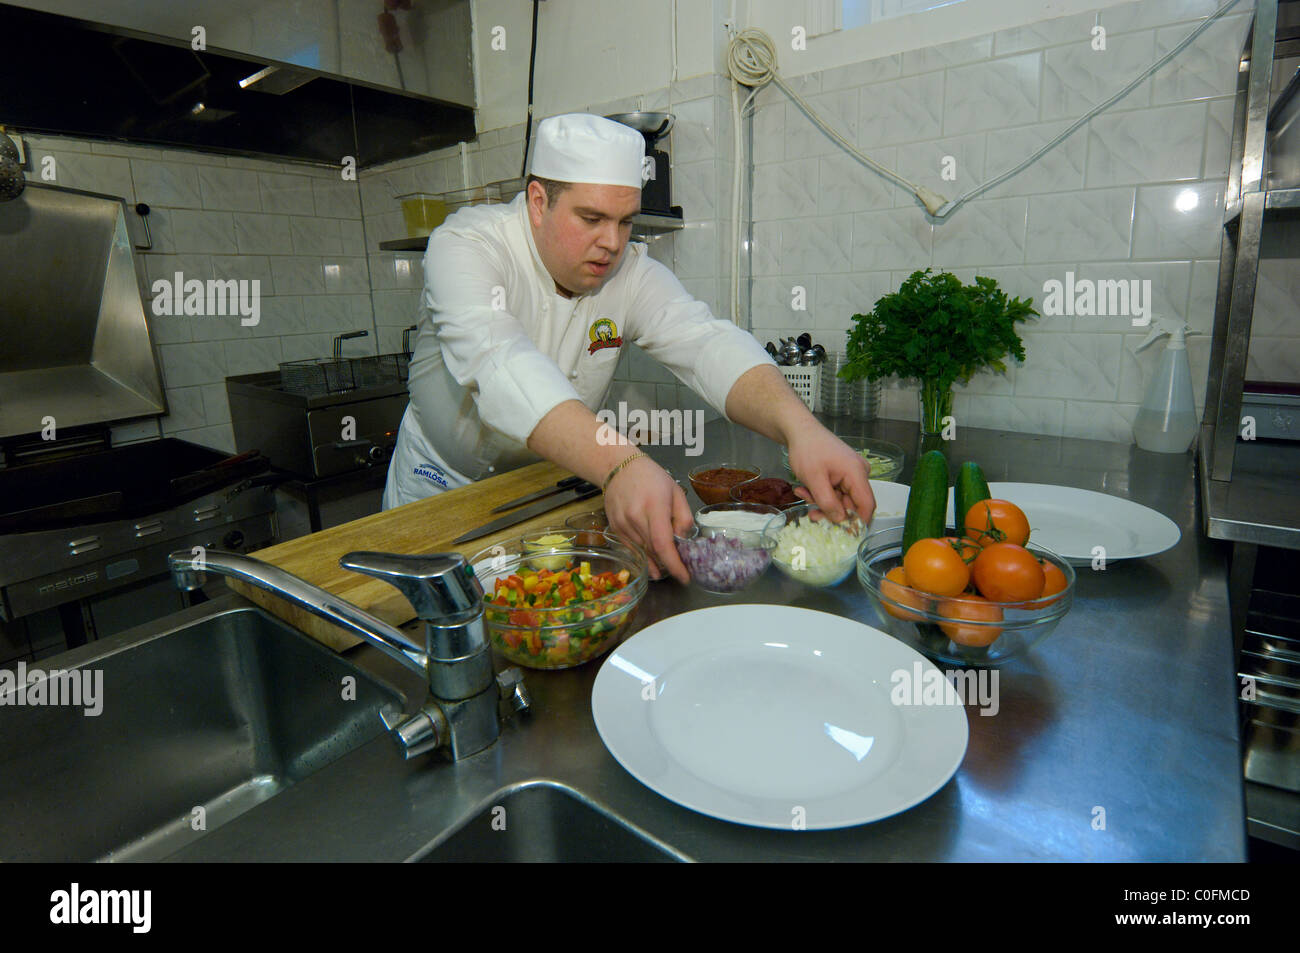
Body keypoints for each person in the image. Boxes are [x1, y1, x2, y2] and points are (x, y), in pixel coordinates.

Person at [383, 113, 875, 582]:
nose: (612, 243)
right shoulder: (466, 245)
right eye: (592, 218)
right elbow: (499, 360)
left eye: (625, 222)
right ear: (537, 201)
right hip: (439, 488)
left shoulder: (630, 273)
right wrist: (619, 462)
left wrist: (801, 429)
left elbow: (706, 343)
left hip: (543, 490)